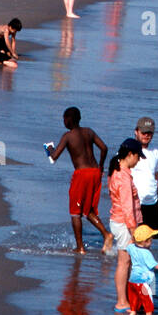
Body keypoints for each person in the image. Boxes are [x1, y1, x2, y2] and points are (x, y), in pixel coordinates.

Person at [48, 106, 111, 254]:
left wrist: (49, 149)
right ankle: (106, 234)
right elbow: (104, 148)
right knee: (87, 209)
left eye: (64, 118)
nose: (63, 121)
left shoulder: (68, 136)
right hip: (95, 172)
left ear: (68, 120)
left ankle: (80, 247)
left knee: (75, 212)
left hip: (82, 174)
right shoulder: (89, 131)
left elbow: (54, 157)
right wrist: (101, 166)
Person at [108, 139, 145, 312]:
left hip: (119, 221)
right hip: (124, 223)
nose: (138, 161)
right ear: (130, 155)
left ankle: (126, 299)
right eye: (138, 157)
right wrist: (134, 230)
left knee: (126, 261)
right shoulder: (122, 176)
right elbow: (127, 206)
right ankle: (122, 301)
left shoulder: (118, 170)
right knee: (124, 262)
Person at [125, 225, 158, 315]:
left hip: (132, 280)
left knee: (134, 297)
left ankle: (133, 313)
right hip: (144, 281)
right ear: (146, 241)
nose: (151, 242)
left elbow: (128, 245)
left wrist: (134, 238)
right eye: (150, 240)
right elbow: (155, 265)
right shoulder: (147, 253)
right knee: (147, 298)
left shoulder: (131, 248)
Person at [131, 117, 158, 239]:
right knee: (134, 238)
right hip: (135, 203)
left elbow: (157, 176)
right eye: (143, 132)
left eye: (149, 132)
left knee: (148, 239)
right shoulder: (129, 150)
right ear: (136, 131)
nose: (146, 135)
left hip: (153, 203)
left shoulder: (155, 153)